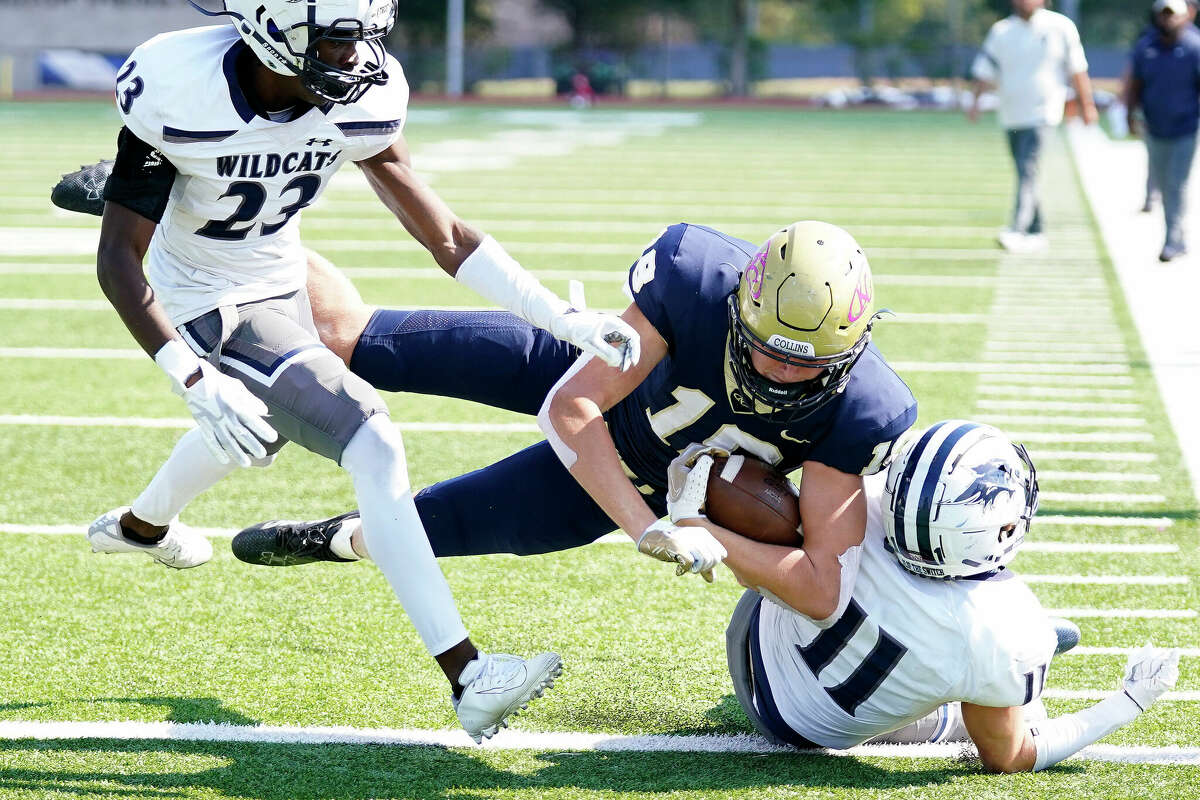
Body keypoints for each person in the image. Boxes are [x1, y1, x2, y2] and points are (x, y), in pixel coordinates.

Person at [83, 0, 643, 743]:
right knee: (372, 440)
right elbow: (118, 259)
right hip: (206, 298)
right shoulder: (183, 87)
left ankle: (139, 527)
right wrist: (190, 374)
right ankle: (469, 676)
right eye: (340, 39)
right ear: (272, 31)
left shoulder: (358, 99)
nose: (359, 59)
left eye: (365, 39)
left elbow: (444, 234)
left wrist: (557, 316)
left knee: (256, 428)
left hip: (279, 276)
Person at [233, 221, 917, 621]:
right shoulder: (695, 279)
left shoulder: (865, 409)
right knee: (345, 336)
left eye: (806, 365)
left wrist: (704, 533)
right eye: (766, 350)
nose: (779, 373)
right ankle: (233, 232)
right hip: (582, 369)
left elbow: (823, 588)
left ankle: (336, 539)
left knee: (418, 533)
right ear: (739, 307)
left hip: (648, 480)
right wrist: (645, 529)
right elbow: (572, 403)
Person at [672, 420, 1181, 770]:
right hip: (797, 726)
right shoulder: (1004, 629)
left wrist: (702, 525)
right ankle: (989, 688)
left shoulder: (865, 494)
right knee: (991, 691)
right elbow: (1011, 757)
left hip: (759, 631)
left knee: (809, 545)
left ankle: (992, 674)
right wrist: (1128, 702)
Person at [969, 0, 1098, 254]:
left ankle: (1017, 229)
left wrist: (1087, 105)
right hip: (1010, 114)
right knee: (1025, 172)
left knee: (1028, 171)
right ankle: (1037, 232)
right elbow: (985, 70)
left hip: (1044, 113)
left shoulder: (1061, 26)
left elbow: (1077, 69)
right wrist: (975, 102)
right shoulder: (1001, 31)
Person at [1124, 0, 1200, 262]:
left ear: (1184, 17)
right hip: (1155, 126)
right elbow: (1135, 83)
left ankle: (1173, 240)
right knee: (1165, 184)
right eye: (1163, 15)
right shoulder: (1146, 47)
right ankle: (1177, 236)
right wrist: (1129, 114)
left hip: (1185, 128)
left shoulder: (1194, 47)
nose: (1168, 20)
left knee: (1176, 184)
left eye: (1173, 15)